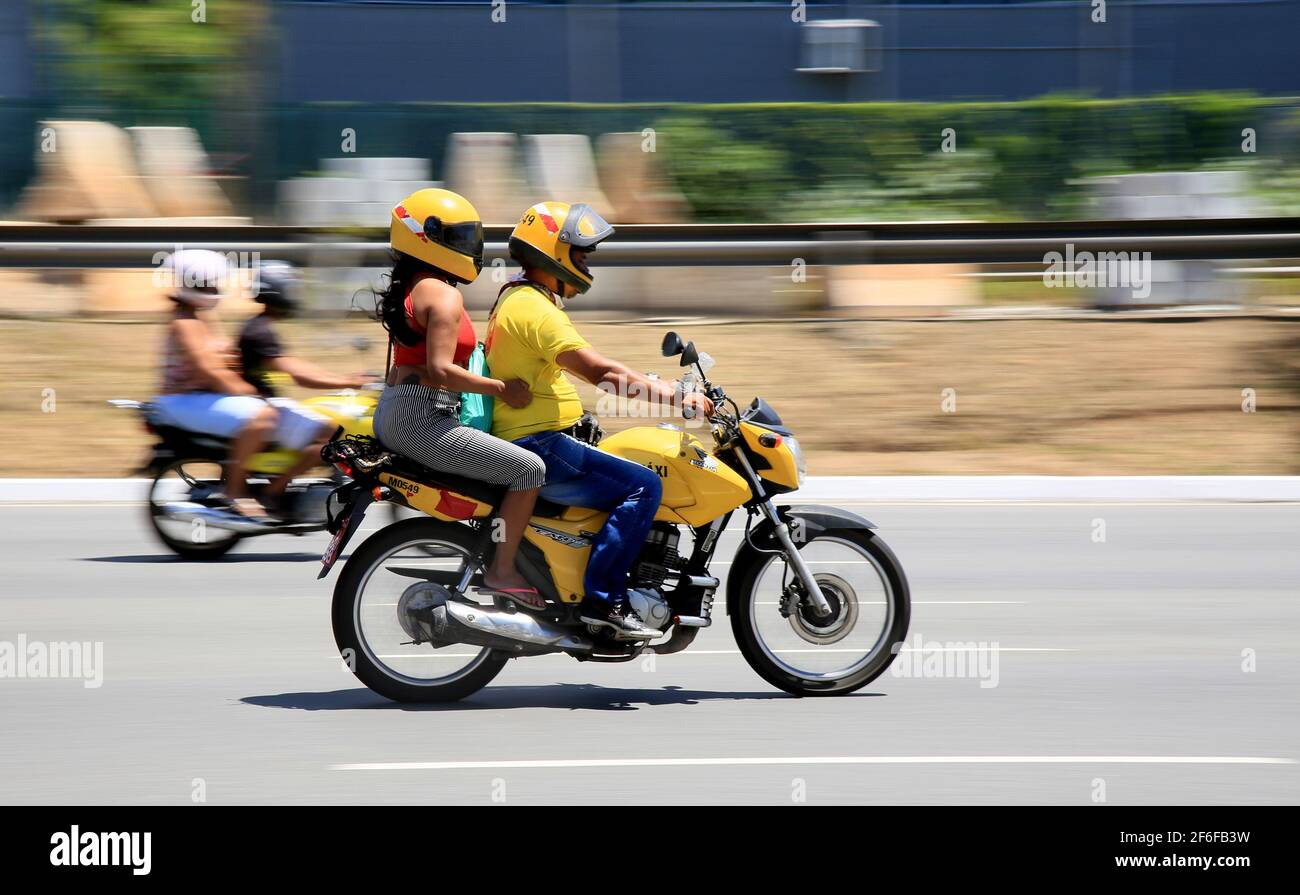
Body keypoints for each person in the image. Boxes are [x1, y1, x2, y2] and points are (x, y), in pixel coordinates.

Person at [486, 201, 714, 638]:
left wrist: (661, 382)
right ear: (552, 251)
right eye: (580, 250)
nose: (587, 259)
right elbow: (602, 374)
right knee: (644, 485)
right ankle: (605, 603)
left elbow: (605, 370)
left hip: (539, 439)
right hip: (539, 445)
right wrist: (678, 398)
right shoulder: (533, 309)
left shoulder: (522, 299)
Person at [370, 188, 548, 609]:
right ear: (427, 237)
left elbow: (411, 366)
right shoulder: (444, 294)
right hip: (424, 420)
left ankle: (498, 552)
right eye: (460, 237)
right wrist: (505, 389)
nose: (469, 247)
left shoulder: (414, 286)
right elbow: (441, 371)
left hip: (398, 410)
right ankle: (503, 571)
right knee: (529, 470)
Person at [237, 261, 372, 518]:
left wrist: (345, 378)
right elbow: (300, 377)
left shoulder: (261, 327)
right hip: (264, 407)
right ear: (279, 291)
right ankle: (272, 492)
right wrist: (349, 382)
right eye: (291, 288)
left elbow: (299, 366)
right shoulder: (259, 331)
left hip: (266, 405)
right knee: (331, 435)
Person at [152, 249, 277, 520]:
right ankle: (233, 490)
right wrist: (246, 391)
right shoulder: (184, 322)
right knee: (262, 416)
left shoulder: (203, 318)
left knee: (274, 414)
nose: (214, 289)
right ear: (193, 284)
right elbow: (209, 369)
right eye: (208, 284)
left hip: (203, 396)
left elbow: (226, 360)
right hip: (181, 400)